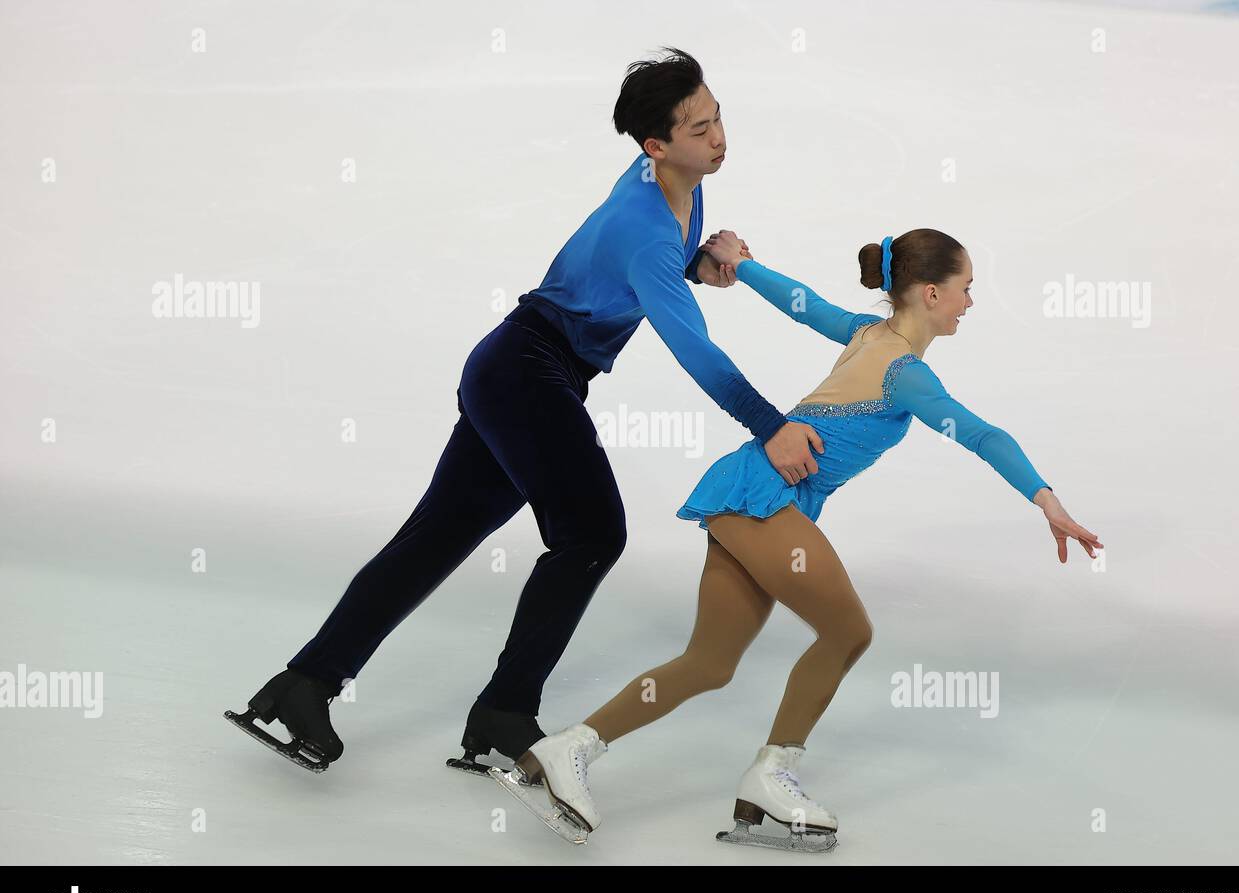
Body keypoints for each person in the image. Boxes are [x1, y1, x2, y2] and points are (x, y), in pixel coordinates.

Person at [223, 48, 826, 774]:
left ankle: (305, 684)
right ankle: (505, 711)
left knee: (435, 540)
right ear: (655, 145)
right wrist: (772, 427)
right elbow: (696, 352)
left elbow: (644, 270)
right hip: (525, 373)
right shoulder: (646, 227)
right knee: (592, 534)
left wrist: (699, 263)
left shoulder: (675, 182)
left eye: (718, 115)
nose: (719, 137)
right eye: (699, 130)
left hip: (520, 371)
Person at [493, 228, 1104, 852]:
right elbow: (981, 434)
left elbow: (804, 305)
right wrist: (1047, 500)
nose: (971, 301)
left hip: (751, 493)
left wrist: (746, 266)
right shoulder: (906, 373)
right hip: (766, 501)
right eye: (965, 288)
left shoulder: (870, 335)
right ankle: (772, 773)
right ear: (929, 293)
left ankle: (567, 749)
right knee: (849, 632)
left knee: (709, 662)